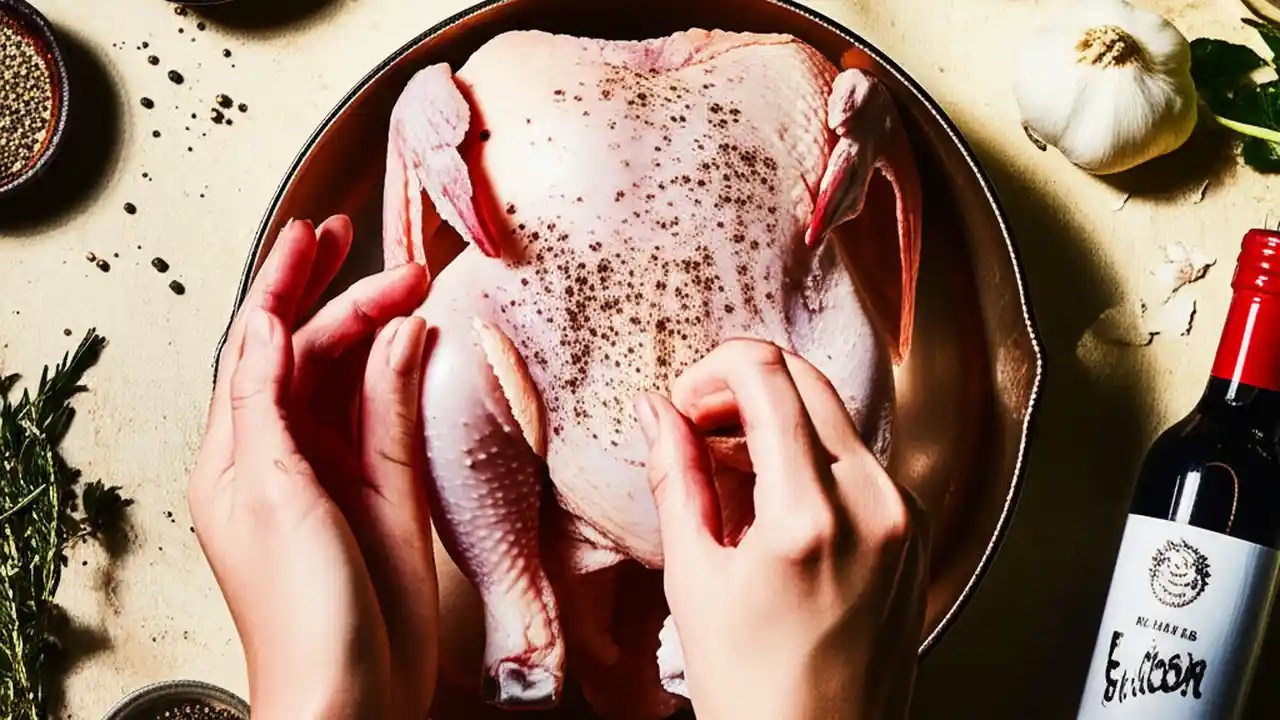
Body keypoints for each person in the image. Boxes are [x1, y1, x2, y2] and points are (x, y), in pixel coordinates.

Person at [189, 216, 929, 720]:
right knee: (439, 359)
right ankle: (515, 598)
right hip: (763, 428)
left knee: (431, 355)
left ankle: (517, 609)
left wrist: (328, 696)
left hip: (749, 409)